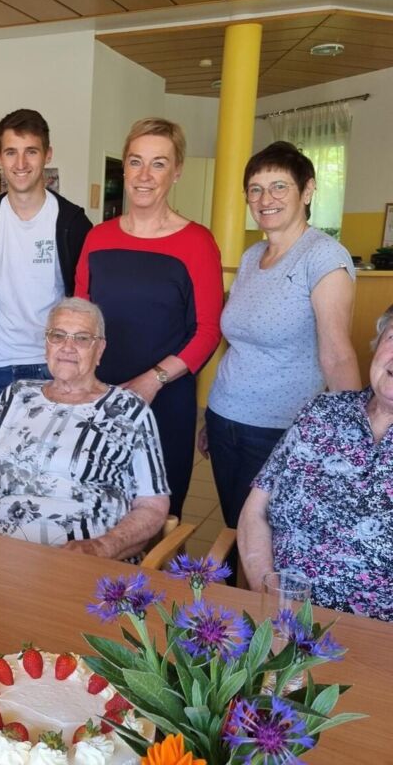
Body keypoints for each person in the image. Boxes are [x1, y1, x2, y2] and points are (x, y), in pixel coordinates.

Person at [201, 141, 361, 531]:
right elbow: (239, 343)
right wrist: (213, 417)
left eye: (279, 187)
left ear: (307, 191)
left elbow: (338, 356)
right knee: (234, 529)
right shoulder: (253, 255)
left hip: (280, 430)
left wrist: (351, 443)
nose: (264, 198)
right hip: (226, 419)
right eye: (255, 189)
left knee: (270, 540)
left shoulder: (323, 257)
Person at [75, 118, 222, 518]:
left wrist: (152, 380)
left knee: (156, 517)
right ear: (123, 167)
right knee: (95, 510)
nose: (144, 175)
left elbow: (207, 331)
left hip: (164, 402)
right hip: (100, 397)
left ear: (176, 172)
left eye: (158, 164)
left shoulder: (197, 242)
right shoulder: (98, 238)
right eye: (136, 162)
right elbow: (80, 319)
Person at [0, 298, 170, 560]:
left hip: (85, 562)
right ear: (46, 344)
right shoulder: (16, 396)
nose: (68, 347)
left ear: (100, 349)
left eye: (82, 338)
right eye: (58, 335)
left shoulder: (129, 409)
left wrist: (104, 546)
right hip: (0, 555)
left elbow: (153, 506)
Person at [238, 304, 393, 622]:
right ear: (378, 344)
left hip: (373, 643)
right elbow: (255, 511)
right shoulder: (322, 411)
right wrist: (270, 600)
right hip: (279, 618)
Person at [0, 109, 92, 435]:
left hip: (53, 367)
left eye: (31, 151)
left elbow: (85, 301)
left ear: (47, 154)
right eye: (11, 152)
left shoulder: (73, 224)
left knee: (49, 473)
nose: (20, 163)